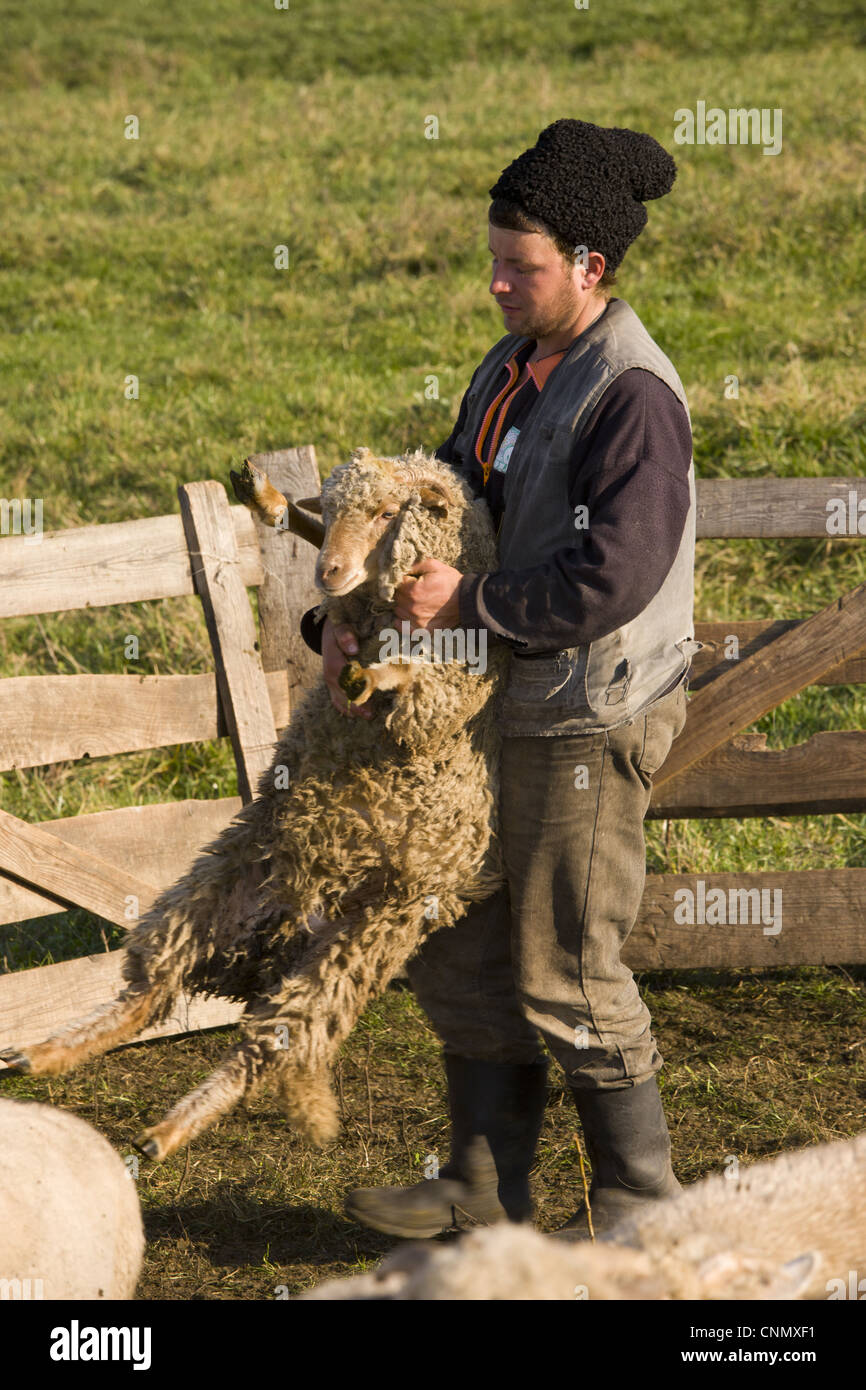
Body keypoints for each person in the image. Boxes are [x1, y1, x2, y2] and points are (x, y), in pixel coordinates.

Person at [299, 118, 701, 1240]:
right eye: (493, 259)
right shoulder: (510, 370)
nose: (494, 283)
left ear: (590, 267)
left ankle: (637, 1212)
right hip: (495, 701)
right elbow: (434, 514)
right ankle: (479, 1189)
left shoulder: (630, 395)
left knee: (567, 959)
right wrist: (343, 618)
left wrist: (466, 608)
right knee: (462, 937)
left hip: (586, 711)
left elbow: (612, 573)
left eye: (518, 267)